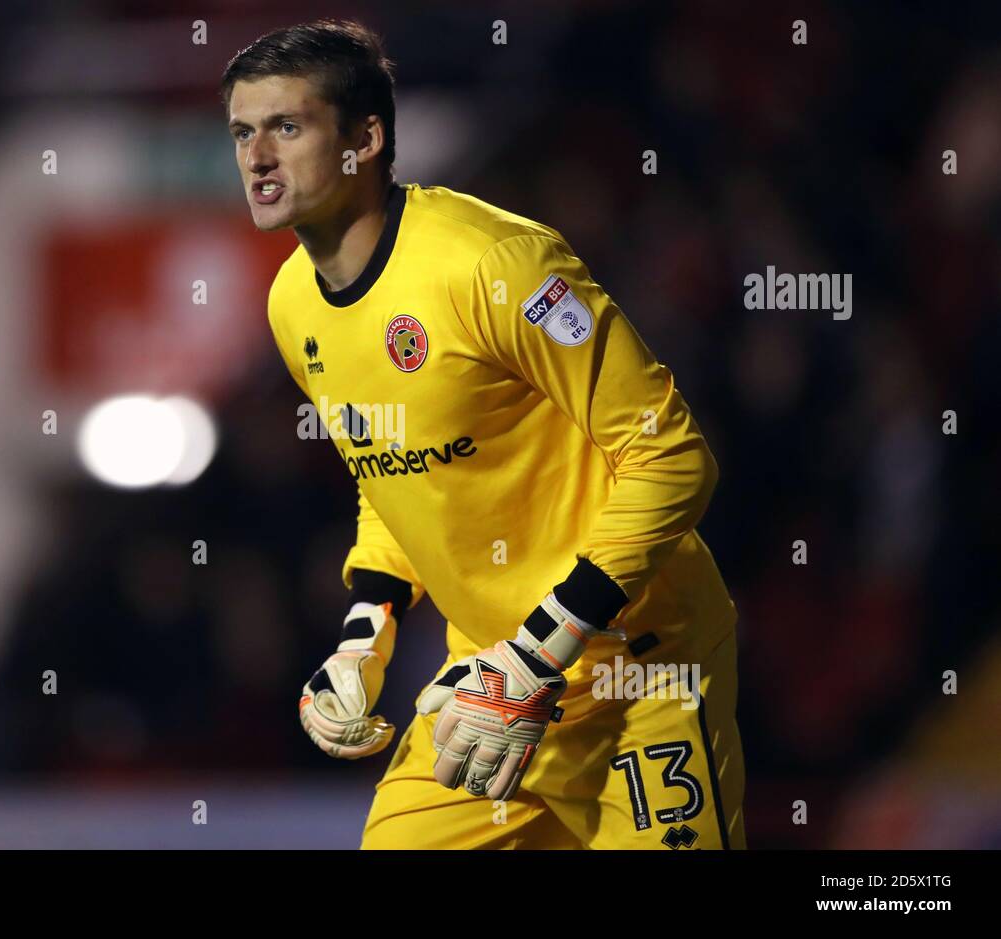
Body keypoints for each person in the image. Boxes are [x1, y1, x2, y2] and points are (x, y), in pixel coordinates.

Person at [221, 18, 745, 849]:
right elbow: (391, 467)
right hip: (487, 684)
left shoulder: (497, 265)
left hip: (638, 666)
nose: (257, 157)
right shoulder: (292, 305)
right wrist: (368, 633)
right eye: (244, 132)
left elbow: (673, 457)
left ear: (366, 138)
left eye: (287, 127)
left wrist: (540, 652)